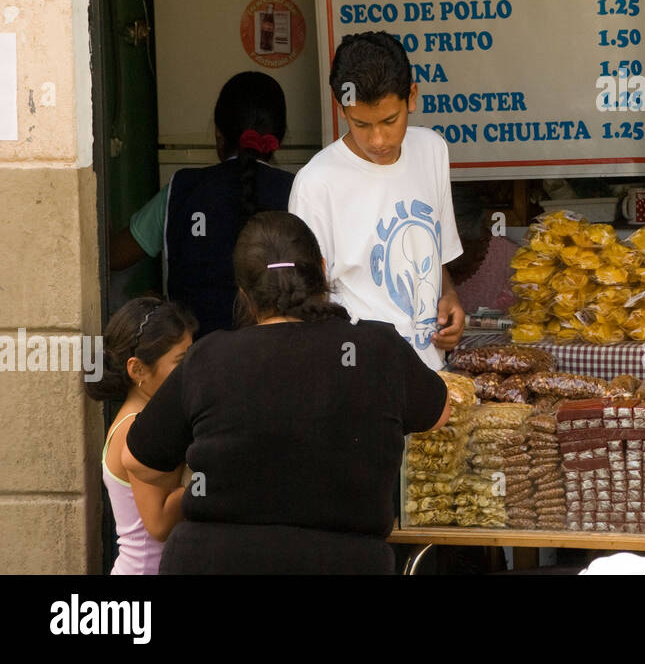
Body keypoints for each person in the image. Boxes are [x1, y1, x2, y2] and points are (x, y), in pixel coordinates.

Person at [123, 211, 449, 575]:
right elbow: (439, 412)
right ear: (323, 271)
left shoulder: (209, 358)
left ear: (245, 295)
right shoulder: (378, 349)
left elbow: (138, 461)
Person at [289, 31, 465, 370]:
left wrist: (450, 297)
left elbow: (432, 249)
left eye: (389, 120)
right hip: (361, 379)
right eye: (361, 124)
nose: (379, 139)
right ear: (340, 107)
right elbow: (307, 305)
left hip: (433, 372)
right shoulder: (315, 184)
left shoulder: (432, 150)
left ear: (411, 97)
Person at [109, 71, 295, 339]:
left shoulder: (182, 189)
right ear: (279, 138)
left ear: (219, 136)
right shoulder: (299, 190)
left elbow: (115, 256)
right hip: (274, 359)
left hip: (192, 362)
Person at [84, 297, 196, 575]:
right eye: (181, 361)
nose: (192, 371)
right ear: (138, 370)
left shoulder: (144, 417)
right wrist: (204, 480)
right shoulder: (138, 427)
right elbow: (158, 524)